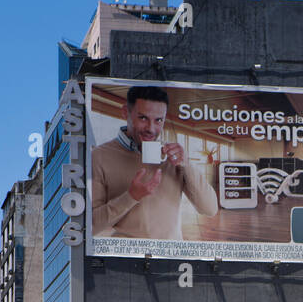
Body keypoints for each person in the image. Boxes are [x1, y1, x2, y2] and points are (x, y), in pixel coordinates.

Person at [91, 85, 218, 240]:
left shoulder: (174, 158)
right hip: (123, 257)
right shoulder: (99, 156)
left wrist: (187, 164)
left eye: (158, 120)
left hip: (171, 256)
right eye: (143, 118)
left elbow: (210, 209)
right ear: (126, 112)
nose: (151, 129)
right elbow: (91, 225)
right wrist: (131, 196)